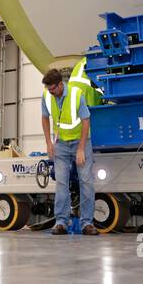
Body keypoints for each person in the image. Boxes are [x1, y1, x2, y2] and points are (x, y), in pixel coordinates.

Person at [41, 60, 100, 235]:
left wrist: (81, 149)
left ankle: (87, 223)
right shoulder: (47, 96)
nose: (51, 93)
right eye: (48, 90)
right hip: (60, 145)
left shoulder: (76, 94)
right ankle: (61, 222)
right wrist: (49, 143)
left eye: (53, 89)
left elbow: (86, 121)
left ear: (60, 84)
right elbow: (44, 118)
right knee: (60, 182)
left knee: (86, 181)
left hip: (80, 142)